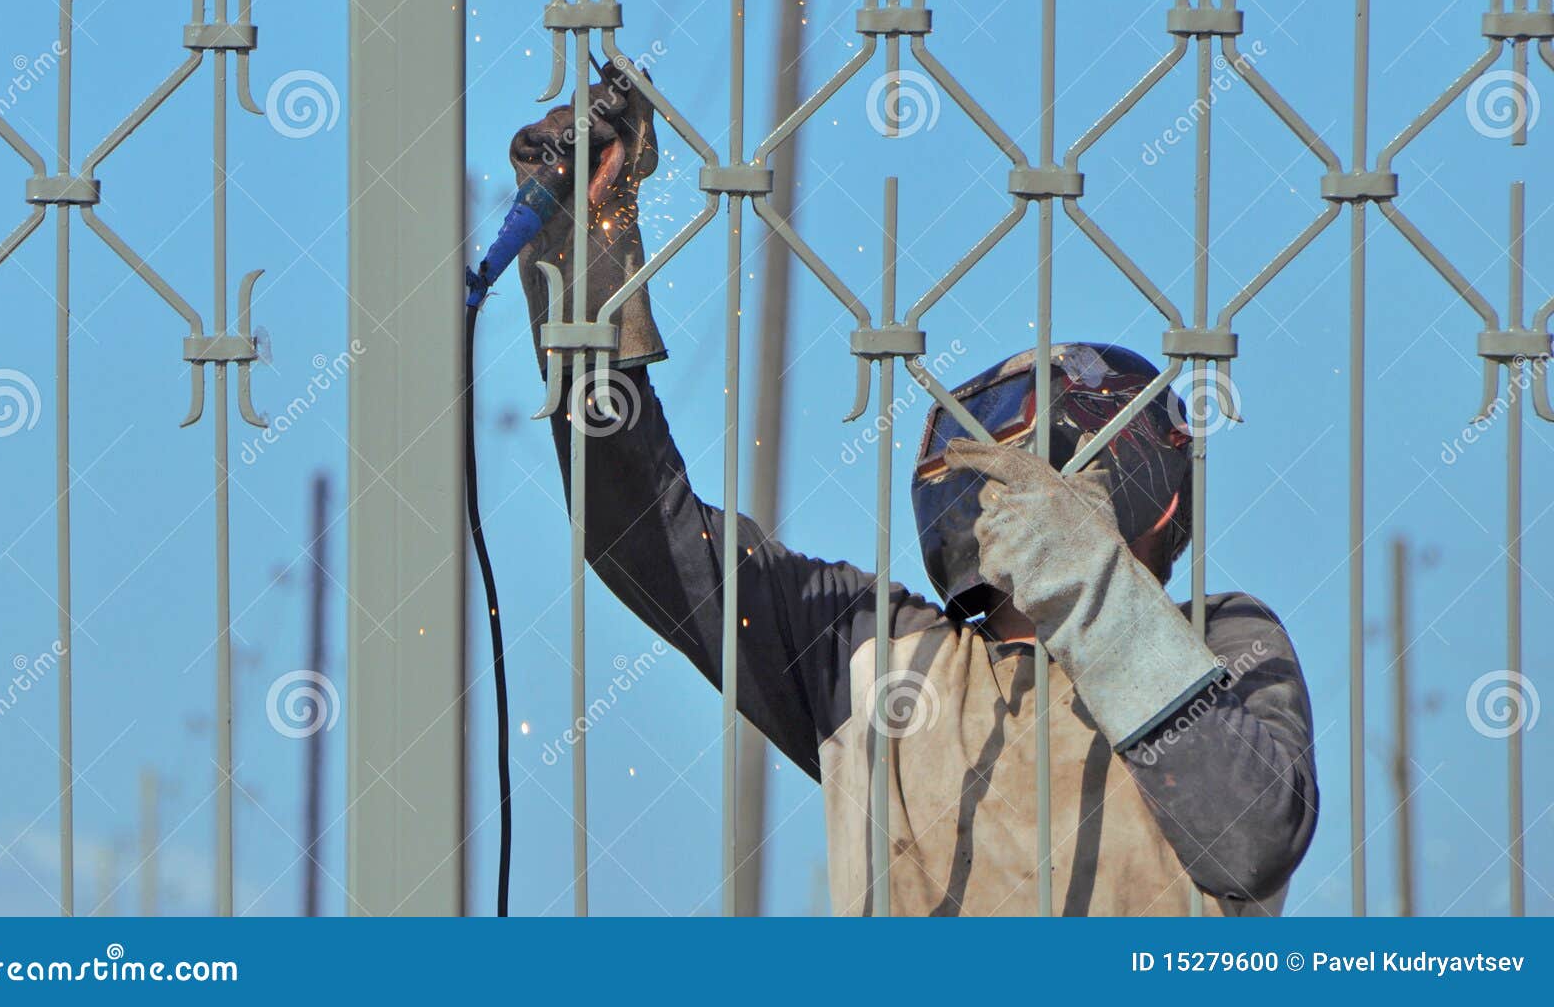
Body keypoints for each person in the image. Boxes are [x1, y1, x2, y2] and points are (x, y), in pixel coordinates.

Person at [510, 63, 1317, 917]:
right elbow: (643, 535)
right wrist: (582, 283)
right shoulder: (871, 652)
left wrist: (1096, 597)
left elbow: (1252, 841)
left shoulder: (1220, 640)